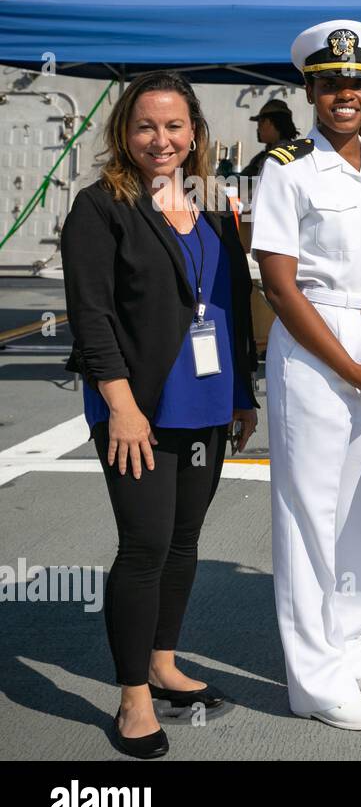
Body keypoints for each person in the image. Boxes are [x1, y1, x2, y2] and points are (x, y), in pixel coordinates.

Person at [61, 70, 258, 758]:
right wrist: (121, 407)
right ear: (124, 133)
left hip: (206, 403)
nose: (161, 139)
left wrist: (242, 395)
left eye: (175, 126)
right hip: (137, 407)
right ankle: (132, 697)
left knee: (183, 540)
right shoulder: (100, 206)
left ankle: (163, 660)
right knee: (144, 545)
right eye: (146, 126)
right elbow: (90, 316)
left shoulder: (211, 203)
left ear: (196, 132)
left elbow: (229, 302)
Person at [251, 20, 361, 731]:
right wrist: (349, 364)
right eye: (329, 83)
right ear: (312, 92)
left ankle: (347, 644)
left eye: (356, 82)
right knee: (309, 514)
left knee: (353, 511)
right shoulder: (286, 166)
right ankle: (312, 681)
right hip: (317, 347)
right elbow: (279, 284)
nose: (344, 93)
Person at [239, 98, 299, 182]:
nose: (258, 129)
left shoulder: (281, 156)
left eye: (260, 124)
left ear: (270, 122)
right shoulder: (270, 153)